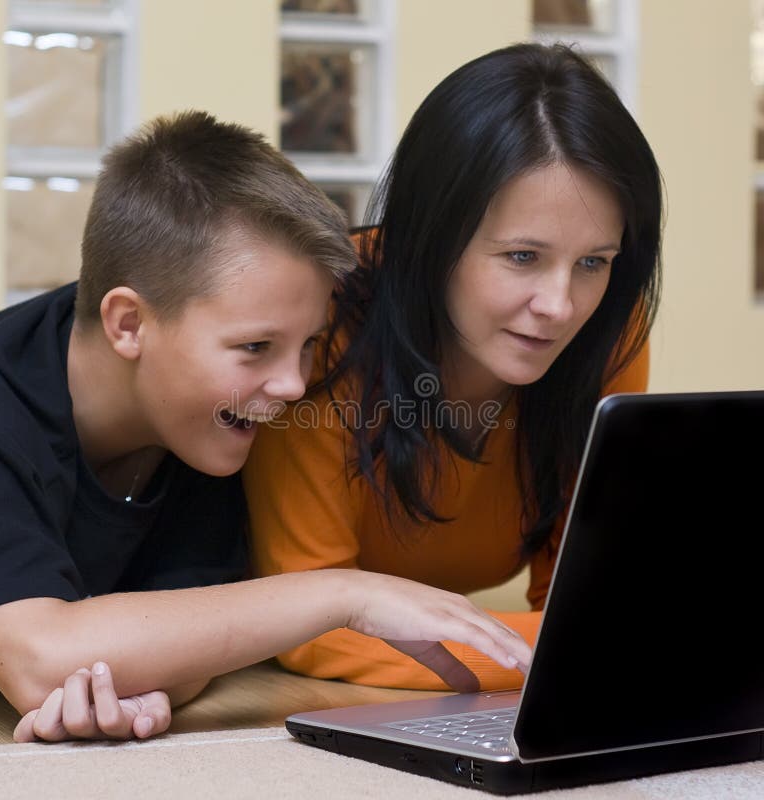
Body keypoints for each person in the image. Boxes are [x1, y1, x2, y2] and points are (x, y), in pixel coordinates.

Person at [0, 110, 532, 743]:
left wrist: (140, 681)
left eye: (308, 343)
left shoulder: (199, 422)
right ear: (128, 324)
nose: (293, 386)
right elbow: (39, 658)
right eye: (256, 347)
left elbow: (194, 628)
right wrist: (346, 595)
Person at [242, 42, 663, 691]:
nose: (560, 306)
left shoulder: (607, 329)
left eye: (593, 262)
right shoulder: (322, 325)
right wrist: (606, 651)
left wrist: (599, 643)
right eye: (522, 257)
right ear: (431, 236)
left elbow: (580, 600)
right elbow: (310, 622)